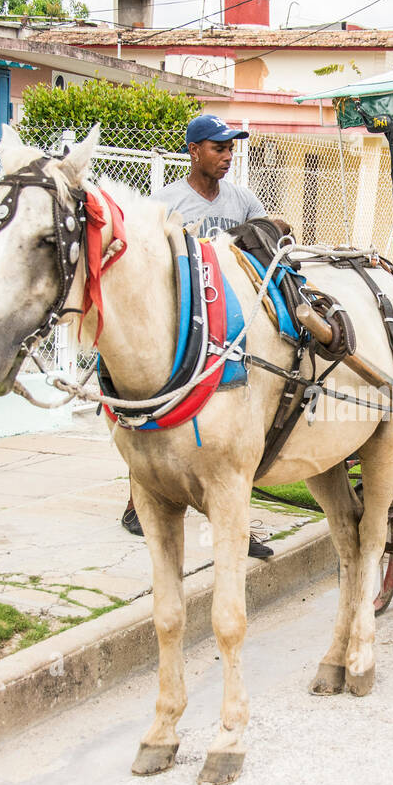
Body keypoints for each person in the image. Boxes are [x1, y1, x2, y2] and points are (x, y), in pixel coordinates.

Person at [120, 115, 276, 557]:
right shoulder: (166, 203)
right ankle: (139, 502)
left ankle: (229, 511)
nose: (227, 157)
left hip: (231, 316)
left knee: (226, 412)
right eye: (218, 148)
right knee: (150, 409)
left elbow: (263, 244)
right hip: (181, 320)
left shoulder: (243, 200)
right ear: (194, 151)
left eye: (230, 149)